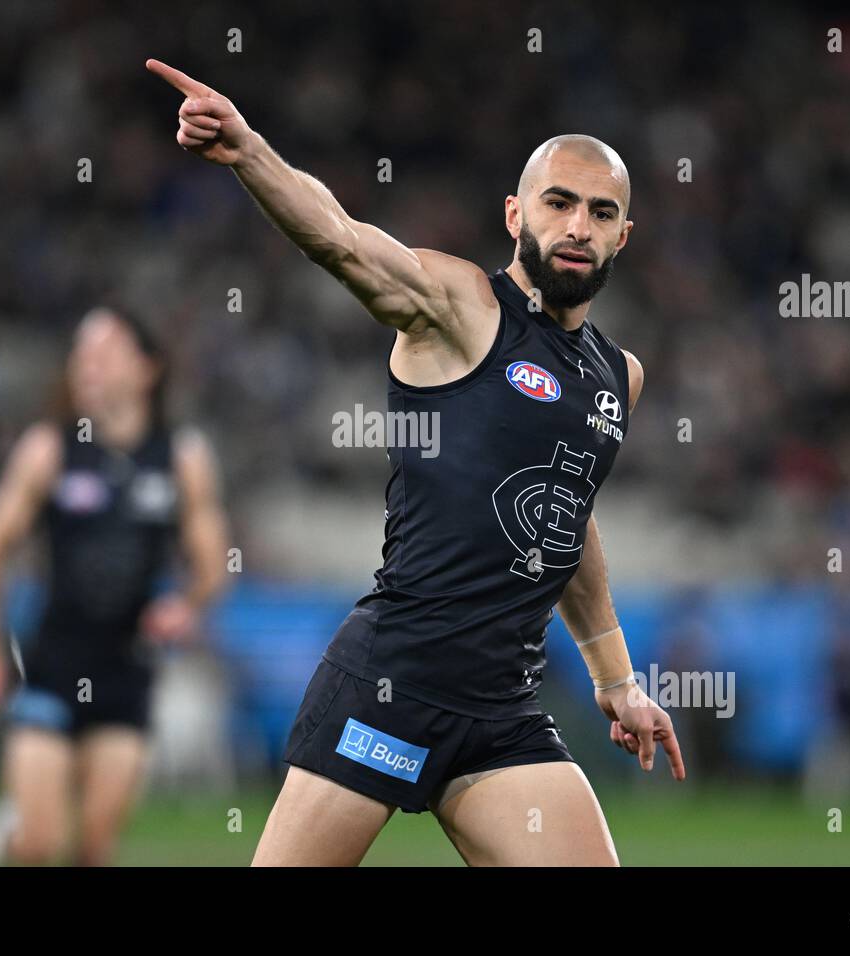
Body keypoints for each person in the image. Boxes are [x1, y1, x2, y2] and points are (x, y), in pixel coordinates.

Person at [146, 59, 684, 867]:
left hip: (502, 710)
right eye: (559, 202)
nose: (578, 225)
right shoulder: (459, 307)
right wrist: (248, 151)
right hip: (390, 683)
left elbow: (568, 516)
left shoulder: (620, 375)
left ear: (623, 235)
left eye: (600, 212)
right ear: (515, 214)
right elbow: (341, 240)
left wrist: (616, 682)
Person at [0, 306, 228, 865]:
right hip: (51, 665)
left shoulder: (180, 456)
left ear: (146, 368)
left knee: (94, 850)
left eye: (104, 354)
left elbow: (213, 562)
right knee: (39, 846)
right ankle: (6, 839)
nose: (88, 367)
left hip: (128, 671)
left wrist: (188, 605)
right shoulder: (49, 448)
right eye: (81, 355)